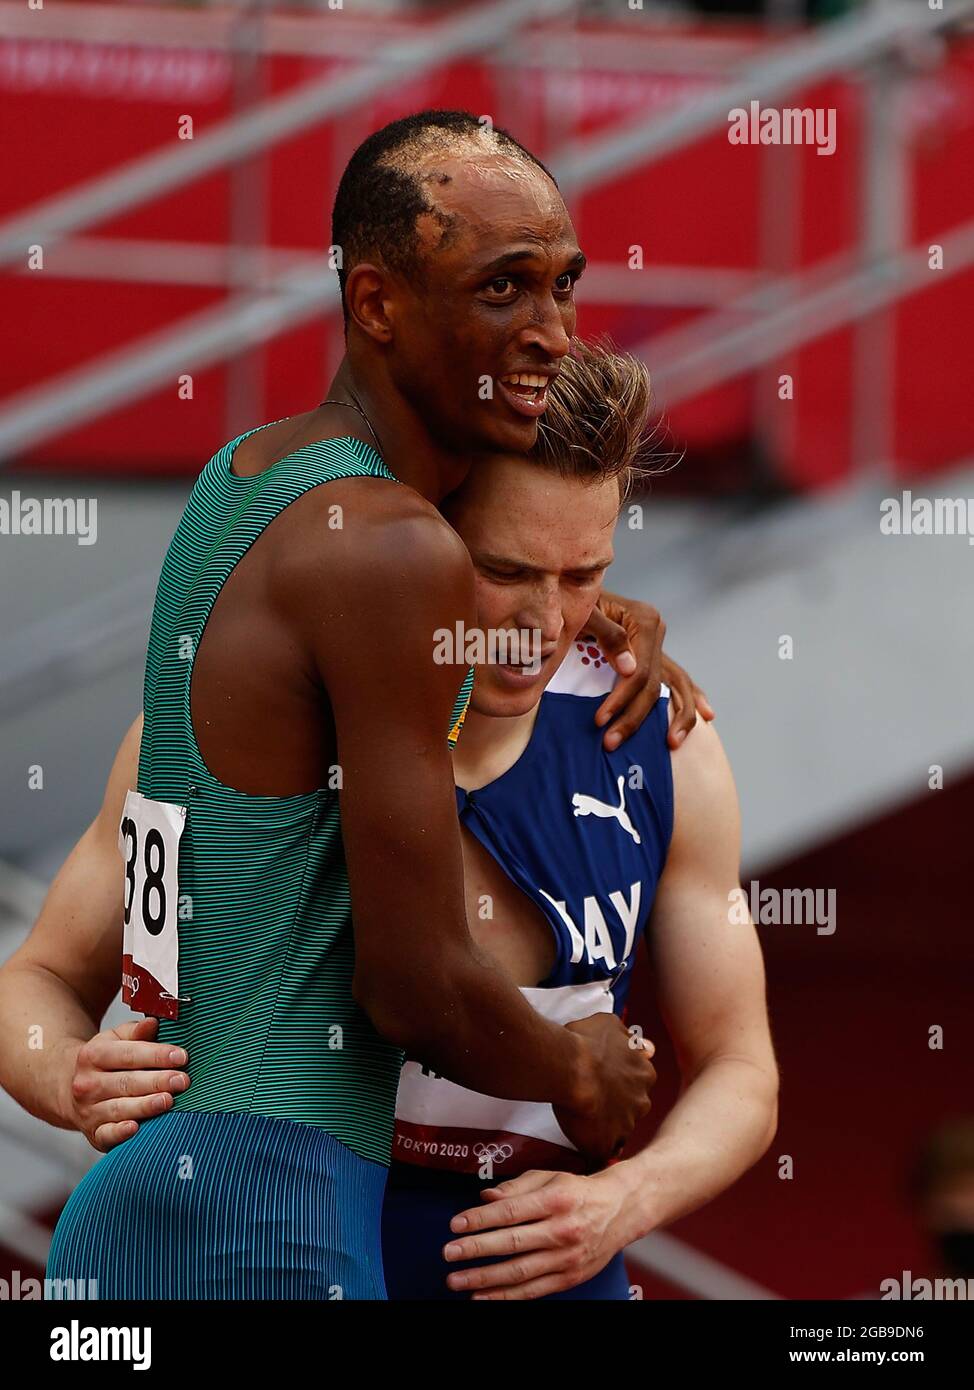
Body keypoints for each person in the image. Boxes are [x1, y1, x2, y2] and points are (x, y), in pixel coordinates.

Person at [0, 111, 686, 1299]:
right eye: (501, 289)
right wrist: (581, 1074)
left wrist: (579, 612)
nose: (550, 334)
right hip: (272, 1210)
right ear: (375, 304)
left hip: (149, 1216)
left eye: (561, 285)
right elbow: (410, 981)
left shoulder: (250, 475)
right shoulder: (390, 551)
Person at [380, 339, 778, 1300]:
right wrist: (74, 1076)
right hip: (307, 1232)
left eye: (584, 574)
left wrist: (625, 1200)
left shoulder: (661, 738)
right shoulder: (274, 715)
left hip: (554, 1246)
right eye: (505, 570)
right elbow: (45, 979)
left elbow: (742, 1069)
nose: (546, 621)